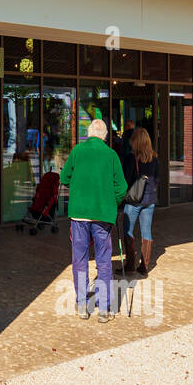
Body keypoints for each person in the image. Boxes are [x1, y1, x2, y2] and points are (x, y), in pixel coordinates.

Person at [61, 118, 129, 322]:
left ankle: (82, 305)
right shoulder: (111, 155)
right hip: (102, 216)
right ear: (105, 136)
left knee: (79, 260)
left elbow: (64, 178)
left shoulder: (77, 151)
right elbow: (122, 187)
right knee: (104, 260)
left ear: (89, 134)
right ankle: (105, 308)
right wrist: (111, 202)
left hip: (79, 214)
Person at [121, 126, 159, 276]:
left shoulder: (132, 158)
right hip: (149, 200)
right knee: (146, 233)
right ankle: (145, 266)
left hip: (134, 201)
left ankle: (130, 265)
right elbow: (157, 179)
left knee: (128, 231)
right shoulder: (154, 157)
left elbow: (127, 179)